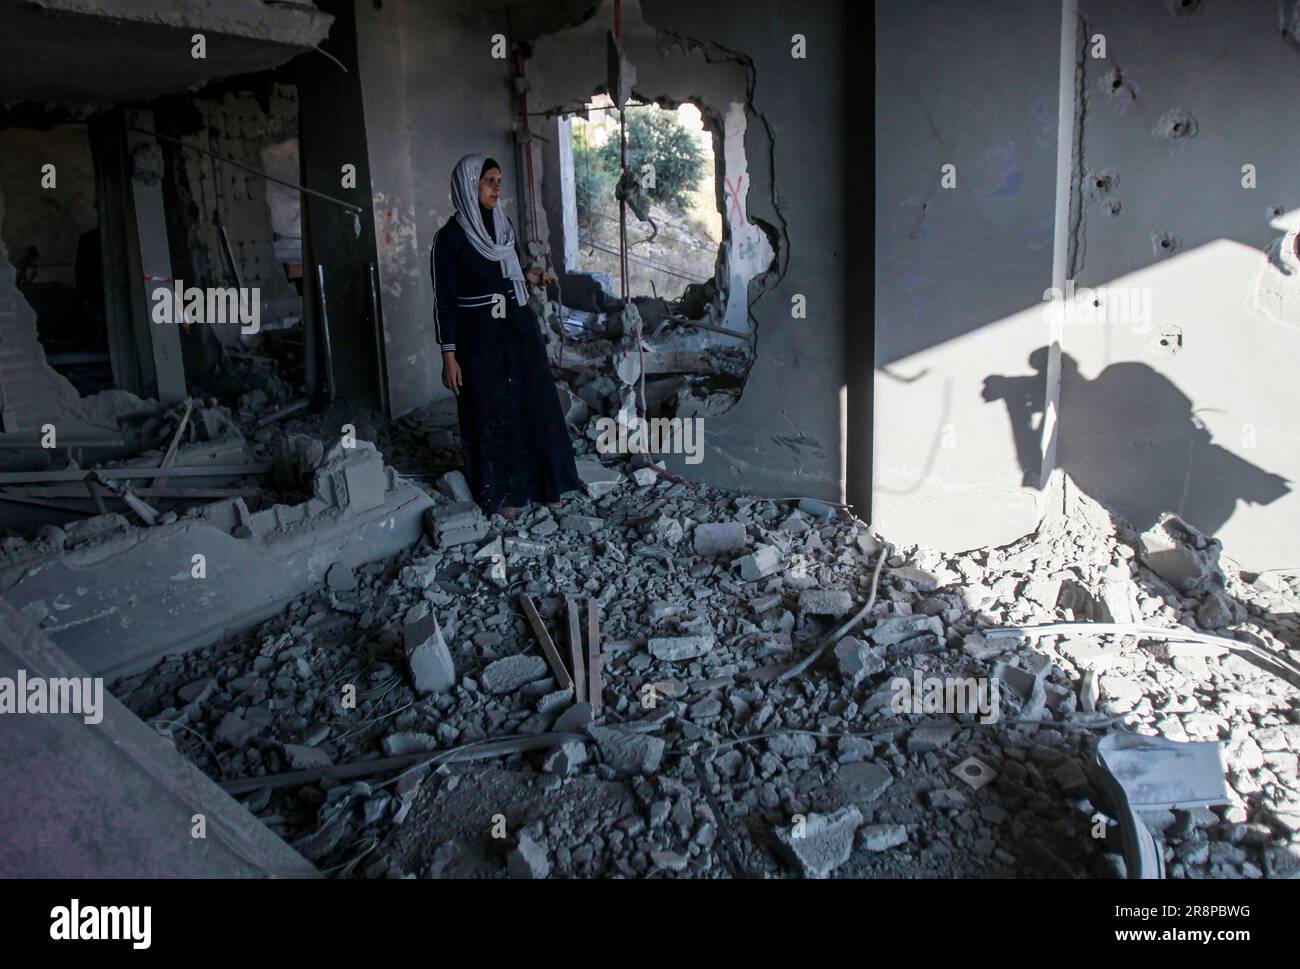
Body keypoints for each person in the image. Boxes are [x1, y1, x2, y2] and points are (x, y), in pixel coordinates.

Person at [431, 154, 581, 519]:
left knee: (536, 401)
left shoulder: (503, 227)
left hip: (516, 326)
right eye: (488, 182)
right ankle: (507, 494)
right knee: (493, 409)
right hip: (478, 337)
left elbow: (506, 272)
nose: (497, 188)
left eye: (499, 181)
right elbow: (445, 301)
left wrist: (530, 276)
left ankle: (549, 484)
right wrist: (449, 355)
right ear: (468, 187)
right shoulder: (449, 239)